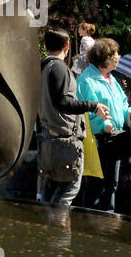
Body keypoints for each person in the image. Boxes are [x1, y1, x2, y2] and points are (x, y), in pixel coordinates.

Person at [38, 27, 108, 209]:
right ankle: (56, 233)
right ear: (68, 45)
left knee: (51, 188)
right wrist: (93, 106)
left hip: (48, 137)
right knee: (68, 189)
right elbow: (63, 102)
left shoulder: (43, 66)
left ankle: (43, 229)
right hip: (64, 140)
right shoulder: (59, 68)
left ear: (46, 45)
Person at [76, 38, 131, 212]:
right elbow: (85, 111)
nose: (119, 57)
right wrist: (103, 124)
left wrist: (129, 114)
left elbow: (122, 104)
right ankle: (90, 226)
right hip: (97, 143)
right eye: (116, 54)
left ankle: (108, 221)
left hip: (114, 141)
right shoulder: (87, 80)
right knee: (95, 186)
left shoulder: (111, 79)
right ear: (106, 57)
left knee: (112, 185)